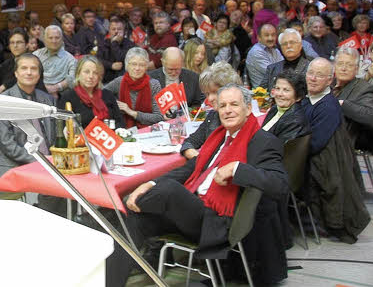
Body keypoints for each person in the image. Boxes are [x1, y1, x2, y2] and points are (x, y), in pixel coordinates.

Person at [108, 84, 289, 287]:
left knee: (168, 191)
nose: (227, 110)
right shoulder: (219, 137)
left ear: (248, 109)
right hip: (193, 209)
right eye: (223, 106)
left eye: (234, 104)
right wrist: (149, 183)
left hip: (219, 221)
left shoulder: (263, 141)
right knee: (134, 219)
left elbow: (280, 185)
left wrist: (237, 169)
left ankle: (115, 208)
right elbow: (191, 168)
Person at [302, 58, 370, 243]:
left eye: (320, 75)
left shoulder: (327, 106)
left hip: (323, 163)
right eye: (310, 73)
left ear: (329, 80)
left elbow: (315, 144)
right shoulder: (307, 99)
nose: (313, 78)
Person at [0, 53, 56, 177]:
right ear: (16, 73)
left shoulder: (48, 100)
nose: (29, 72)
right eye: (24, 68)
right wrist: (40, 160)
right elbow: (6, 144)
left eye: (33, 68)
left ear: (39, 74)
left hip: (50, 166)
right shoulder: (2, 102)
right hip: (15, 167)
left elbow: (53, 137)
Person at [179, 62, 243, 160]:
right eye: (207, 94)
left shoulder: (240, 121)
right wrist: (199, 159)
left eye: (215, 92)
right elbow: (191, 141)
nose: (210, 98)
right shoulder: (213, 116)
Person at [105, 47, 164, 129]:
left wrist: (131, 112)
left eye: (141, 65)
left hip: (147, 131)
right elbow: (101, 95)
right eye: (133, 64)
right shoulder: (119, 82)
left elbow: (159, 117)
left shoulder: (154, 85)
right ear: (127, 65)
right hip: (123, 130)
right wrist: (115, 104)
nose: (137, 68)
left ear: (146, 66)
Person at [59, 55, 124, 128]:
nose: (91, 76)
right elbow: (63, 127)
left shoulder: (108, 95)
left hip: (110, 138)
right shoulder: (68, 97)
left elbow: (120, 123)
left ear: (99, 76)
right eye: (86, 72)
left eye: (95, 73)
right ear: (78, 74)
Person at [262, 71, 310, 142]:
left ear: (298, 97)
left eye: (286, 90)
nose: (279, 94)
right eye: (277, 88)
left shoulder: (295, 121)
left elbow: (278, 148)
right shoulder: (275, 108)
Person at [33, 25, 77, 98]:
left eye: (57, 37)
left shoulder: (70, 59)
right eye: (50, 38)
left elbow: (73, 79)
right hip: (37, 93)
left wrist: (56, 88)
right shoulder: (36, 55)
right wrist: (44, 89)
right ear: (44, 39)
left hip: (61, 96)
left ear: (62, 39)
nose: (54, 41)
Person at [97, 17, 135, 83]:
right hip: (106, 81)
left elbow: (120, 58)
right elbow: (98, 60)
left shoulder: (130, 45)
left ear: (124, 31)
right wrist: (111, 65)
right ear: (109, 31)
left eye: (119, 29)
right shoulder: (103, 44)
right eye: (113, 29)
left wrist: (114, 43)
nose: (116, 31)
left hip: (124, 81)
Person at [245, 24, 283, 89]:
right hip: (262, 94)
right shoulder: (256, 52)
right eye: (267, 35)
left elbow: (283, 68)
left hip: (276, 89)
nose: (270, 38)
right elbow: (274, 73)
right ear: (259, 38)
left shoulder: (275, 50)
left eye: (273, 35)